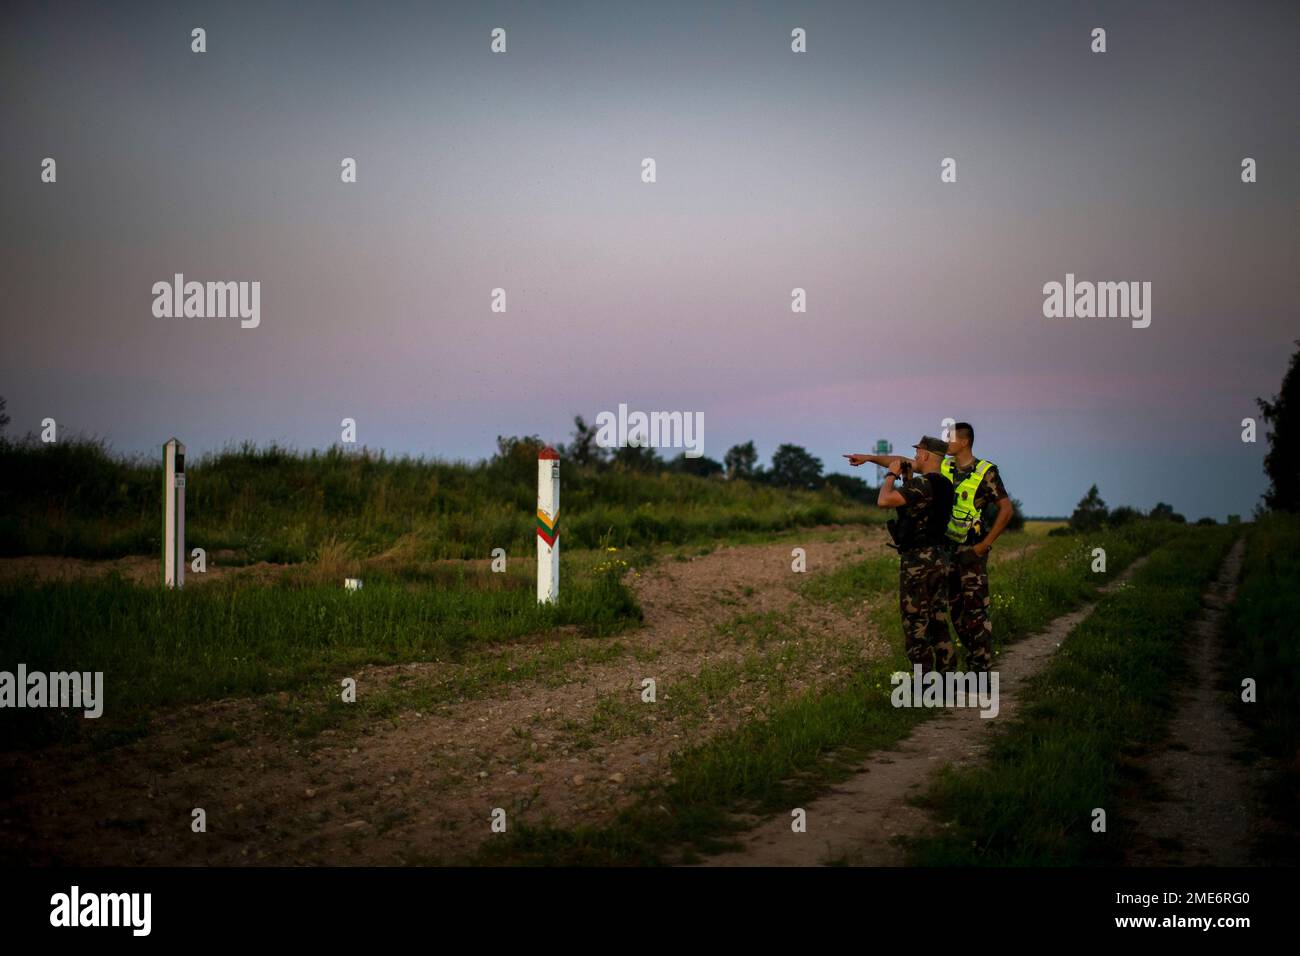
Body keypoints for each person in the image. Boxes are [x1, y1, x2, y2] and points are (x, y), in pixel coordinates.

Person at [845, 437, 956, 672]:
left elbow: (884, 500)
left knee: (915, 622)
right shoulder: (944, 484)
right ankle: (948, 679)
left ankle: (925, 685)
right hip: (939, 558)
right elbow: (900, 463)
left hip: (919, 561)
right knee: (938, 620)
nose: (914, 457)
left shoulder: (922, 485)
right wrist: (869, 458)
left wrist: (891, 477)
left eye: (917, 453)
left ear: (925, 456)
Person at [940, 422, 1013, 673]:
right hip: (947, 553)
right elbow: (909, 462)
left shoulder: (985, 472)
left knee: (976, 613)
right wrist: (869, 458)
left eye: (949, 438)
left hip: (972, 553)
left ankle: (980, 671)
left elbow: (1006, 509)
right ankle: (972, 665)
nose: (945, 442)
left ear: (964, 442)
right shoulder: (944, 466)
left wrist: (985, 544)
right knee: (957, 613)